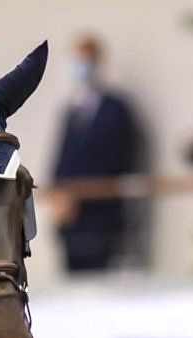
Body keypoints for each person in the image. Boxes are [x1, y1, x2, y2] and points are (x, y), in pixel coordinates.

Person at [52, 34, 144, 271]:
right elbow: (63, 159)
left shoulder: (116, 109)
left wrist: (81, 193)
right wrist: (60, 196)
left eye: (85, 60)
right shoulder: (72, 110)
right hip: (72, 220)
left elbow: (118, 159)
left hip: (103, 214)